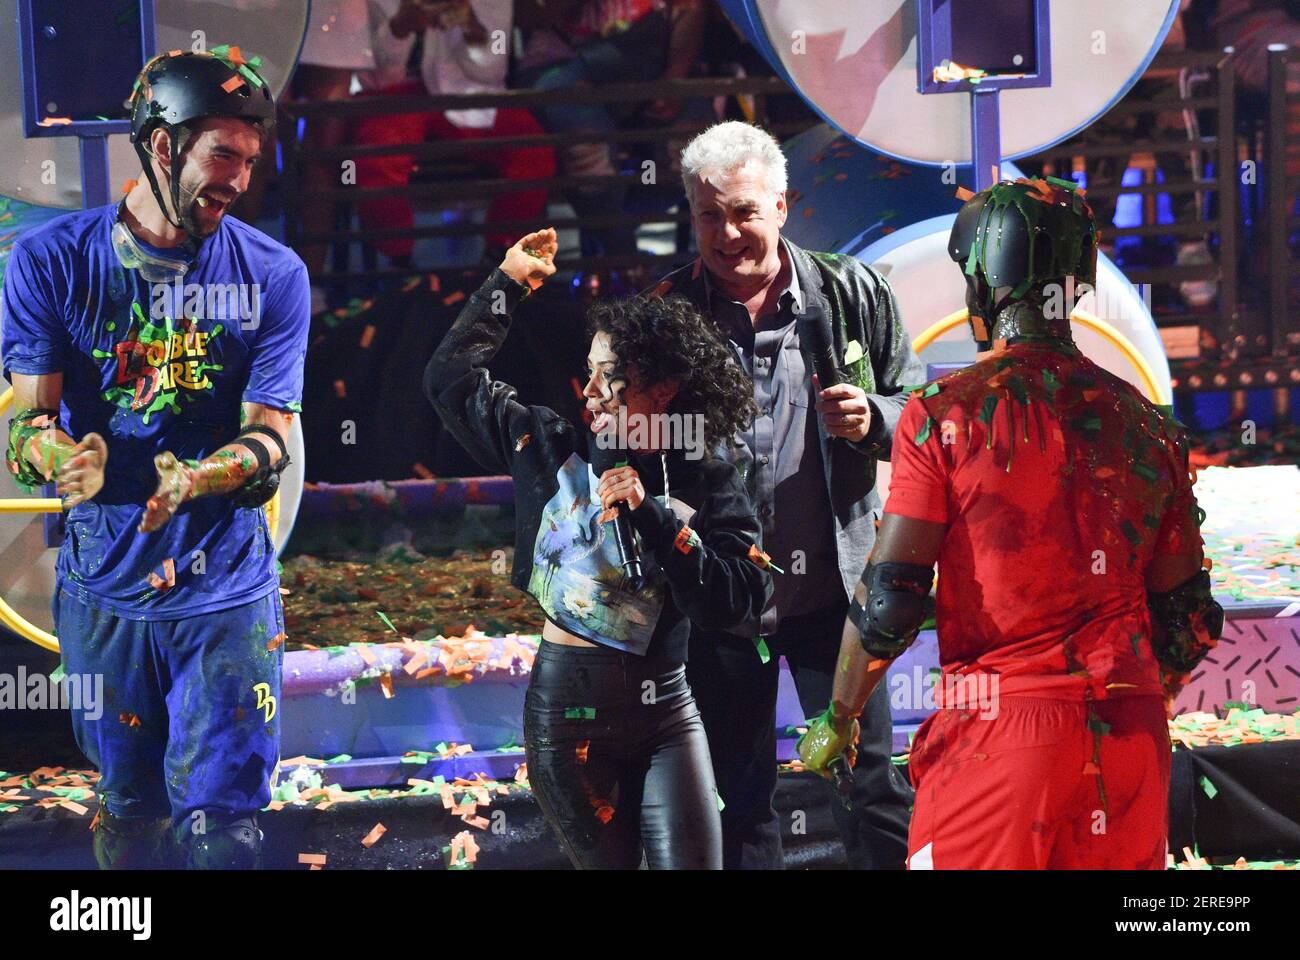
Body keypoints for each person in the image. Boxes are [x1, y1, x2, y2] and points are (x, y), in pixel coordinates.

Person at [799, 178, 1223, 869]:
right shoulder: (1149, 426)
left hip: (998, 736)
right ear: (1077, 282)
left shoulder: (945, 413)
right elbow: (1190, 619)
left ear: (979, 283)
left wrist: (840, 716)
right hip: (1130, 738)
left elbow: (890, 599)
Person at [1, 50, 310, 868]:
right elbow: (23, 426)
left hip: (225, 588)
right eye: (223, 156)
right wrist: (58, 455)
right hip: (103, 586)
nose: (240, 180)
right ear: (164, 147)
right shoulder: (50, 261)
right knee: (129, 809)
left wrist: (201, 476)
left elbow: (272, 434)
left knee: (224, 826)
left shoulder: (276, 275)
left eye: (250, 160)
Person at [424, 226, 771, 868]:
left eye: (609, 380)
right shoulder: (548, 445)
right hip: (569, 711)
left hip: (668, 706)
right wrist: (507, 284)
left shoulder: (703, 468)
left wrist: (658, 519)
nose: (589, 395)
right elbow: (449, 379)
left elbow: (741, 598)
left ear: (660, 391)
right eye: (588, 375)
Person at [651, 121, 924, 869]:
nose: (727, 232)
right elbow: (634, 449)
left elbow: (924, 415)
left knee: (867, 787)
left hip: (834, 596)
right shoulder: (666, 312)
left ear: (783, 204)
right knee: (738, 800)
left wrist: (877, 420)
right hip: (723, 601)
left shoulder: (853, 290)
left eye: (743, 211)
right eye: (709, 215)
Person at [354, 1, 557, 267]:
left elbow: (493, 69)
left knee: (533, 152)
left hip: (471, 93)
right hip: (397, 94)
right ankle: (401, 264)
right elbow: (375, 72)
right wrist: (400, 27)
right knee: (377, 156)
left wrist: (471, 26)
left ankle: (498, 257)